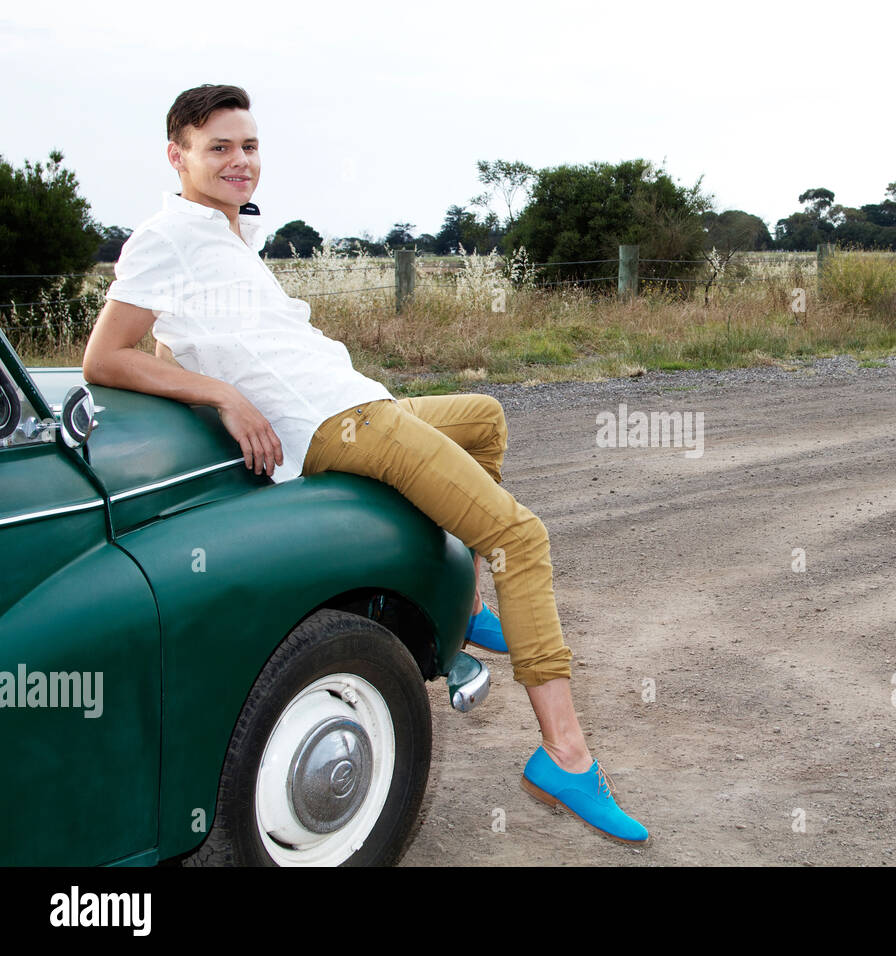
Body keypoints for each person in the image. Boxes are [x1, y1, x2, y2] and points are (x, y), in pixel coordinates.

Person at [81, 83, 647, 846]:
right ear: (176, 155)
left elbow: (179, 336)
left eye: (249, 146)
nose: (240, 162)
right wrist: (222, 397)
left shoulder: (225, 233)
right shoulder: (167, 235)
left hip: (354, 401)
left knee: (485, 416)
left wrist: (203, 370)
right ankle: (566, 758)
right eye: (218, 148)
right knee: (524, 537)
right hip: (336, 426)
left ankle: (470, 607)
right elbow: (104, 358)